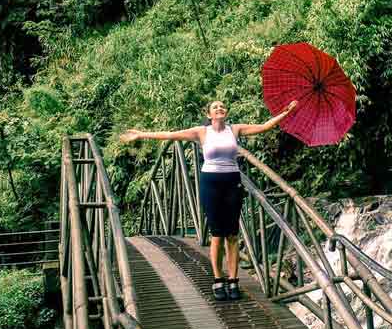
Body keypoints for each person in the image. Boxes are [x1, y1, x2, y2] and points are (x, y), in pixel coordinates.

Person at [120, 99, 297, 300]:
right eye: (215, 107)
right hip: (210, 184)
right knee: (217, 234)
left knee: (232, 235)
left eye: (222, 106)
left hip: (232, 182)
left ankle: (233, 280)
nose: (220, 108)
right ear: (209, 114)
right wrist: (141, 134)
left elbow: (265, 126)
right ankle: (218, 279)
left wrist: (286, 112)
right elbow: (170, 134)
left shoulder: (235, 129)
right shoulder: (201, 132)